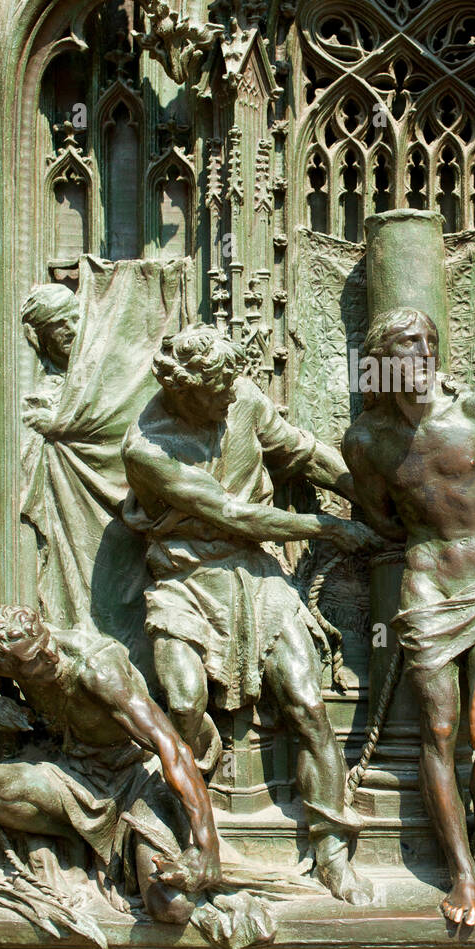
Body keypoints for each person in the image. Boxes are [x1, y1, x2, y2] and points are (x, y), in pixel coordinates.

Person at [121, 324, 380, 905]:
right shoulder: (150, 450)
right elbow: (231, 513)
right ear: (184, 390)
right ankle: (190, 831)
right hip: (186, 580)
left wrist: (373, 494)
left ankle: (331, 850)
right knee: (184, 704)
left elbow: (301, 452)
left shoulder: (240, 396)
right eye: (216, 392)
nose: (229, 398)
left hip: (256, 575)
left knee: (308, 702)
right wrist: (330, 528)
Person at [342, 308, 475, 926]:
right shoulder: (367, 442)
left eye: (431, 340)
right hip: (429, 587)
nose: (424, 353)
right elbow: (379, 516)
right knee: (437, 729)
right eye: (408, 344)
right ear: (381, 360)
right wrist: (429, 540)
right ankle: (462, 872)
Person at [0, 605, 270, 949]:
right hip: (74, 775)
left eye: (45, 642)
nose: (50, 654)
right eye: (34, 659)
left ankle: (111, 846)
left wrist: (207, 847)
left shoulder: (96, 667)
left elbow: (173, 749)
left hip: (138, 780)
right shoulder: (11, 655)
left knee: (171, 906)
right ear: (8, 667)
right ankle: (76, 839)